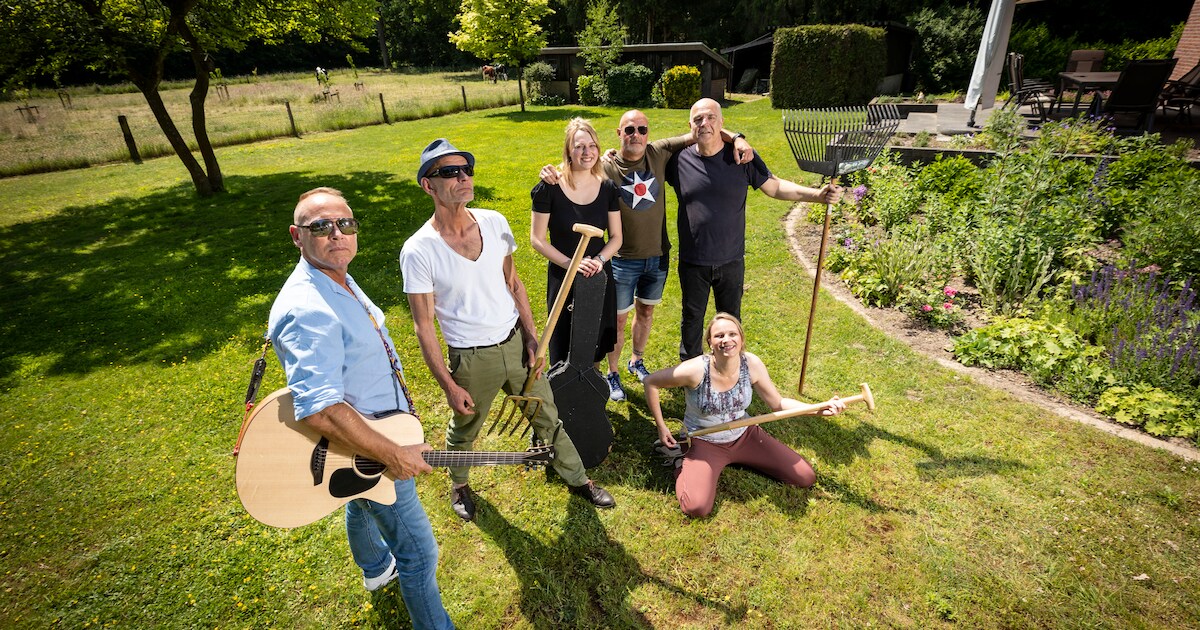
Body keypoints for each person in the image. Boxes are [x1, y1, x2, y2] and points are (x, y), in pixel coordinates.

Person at [400, 138, 616, 523]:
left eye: (466, 170)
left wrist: (532, 336)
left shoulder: (495, 222)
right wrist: (449, 386)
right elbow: (423, 325)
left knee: (548, 416)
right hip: (471, 358)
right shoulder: (419, 250)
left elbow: (514, 284)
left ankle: (579, 479)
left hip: (516, 346)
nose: (463, 177)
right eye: (450, 172)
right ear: (427, 185)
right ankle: (460, 484)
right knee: (465, 427)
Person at [267, 187, 454, 629]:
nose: (337, 234)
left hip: (366, 440)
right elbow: (322, 410)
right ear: (297, 236)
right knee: (419, 552)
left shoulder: (335, 276)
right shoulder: (308, 307)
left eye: (345, 224)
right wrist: (393, 454)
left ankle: (374, 570)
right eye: (321, 226)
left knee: (360, 500)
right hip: (371, 445)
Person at [541, 110, 754, 401]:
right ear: (618, 134)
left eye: (642, 129)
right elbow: (577, 167)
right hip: (622, 259)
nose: (636, 135)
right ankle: (612, 372)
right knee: (617, 319)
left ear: (648, 132)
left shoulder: (660, 152)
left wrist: (738, 138)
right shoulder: (606, 166)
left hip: (657, 256)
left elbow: (702, 131)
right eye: (629, 130)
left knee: (646, 311)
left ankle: (636, 359)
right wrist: (553, 171)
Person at [666, 98, 844, 360]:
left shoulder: (742, 158)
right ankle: (692, 373)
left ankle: (729, 369)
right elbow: (643, 164)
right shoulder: (677, 160)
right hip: (693, 260)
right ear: (690, 125)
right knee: (691, 319)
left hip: (731, 259)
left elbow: (774, 187)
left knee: (731, 320)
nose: (705, 124)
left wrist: (817, 195)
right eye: (698, 119)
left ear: (722, 122)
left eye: (711, 118)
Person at [643, 312, 846, 518]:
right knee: (696, 508)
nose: (727, 340)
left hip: (745, 435)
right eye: (719, 336)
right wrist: (662, 426)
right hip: (703, 441)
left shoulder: (751, 364)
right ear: (710, 342)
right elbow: (651, 382)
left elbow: (778, 403)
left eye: (732, 334)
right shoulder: (695, 370)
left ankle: (739, 457)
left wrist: (817, 409)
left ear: (741, 339)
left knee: (805, 477)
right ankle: (681, 460)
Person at [529, 117, 623, 367]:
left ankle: (588, 394)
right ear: (568, 150)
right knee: (563, 342)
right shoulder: (549, 188)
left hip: (597, 275)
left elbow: (616, 237)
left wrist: (600, 261)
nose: (587, 152)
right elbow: (537, 240)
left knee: (593, 344)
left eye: (592, 146)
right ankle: (560, 394)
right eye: (580, 146)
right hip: (564, 275)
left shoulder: (608, 188)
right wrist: (572, 264)